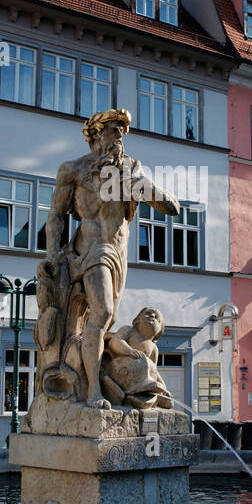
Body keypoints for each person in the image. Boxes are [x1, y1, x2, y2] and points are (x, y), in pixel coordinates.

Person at [39, 109, 179, 408]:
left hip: (118, 252)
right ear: (96, 134)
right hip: (90, 249)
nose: (120, 136)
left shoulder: (130, 167)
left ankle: (95, 376)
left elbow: (171, 207)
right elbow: (55, 217)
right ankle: (92, 393)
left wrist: (139, 184)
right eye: (114, 129)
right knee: (102, 314)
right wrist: (52, 253)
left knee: (105, 319)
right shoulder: (73, 170)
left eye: (122, 131)